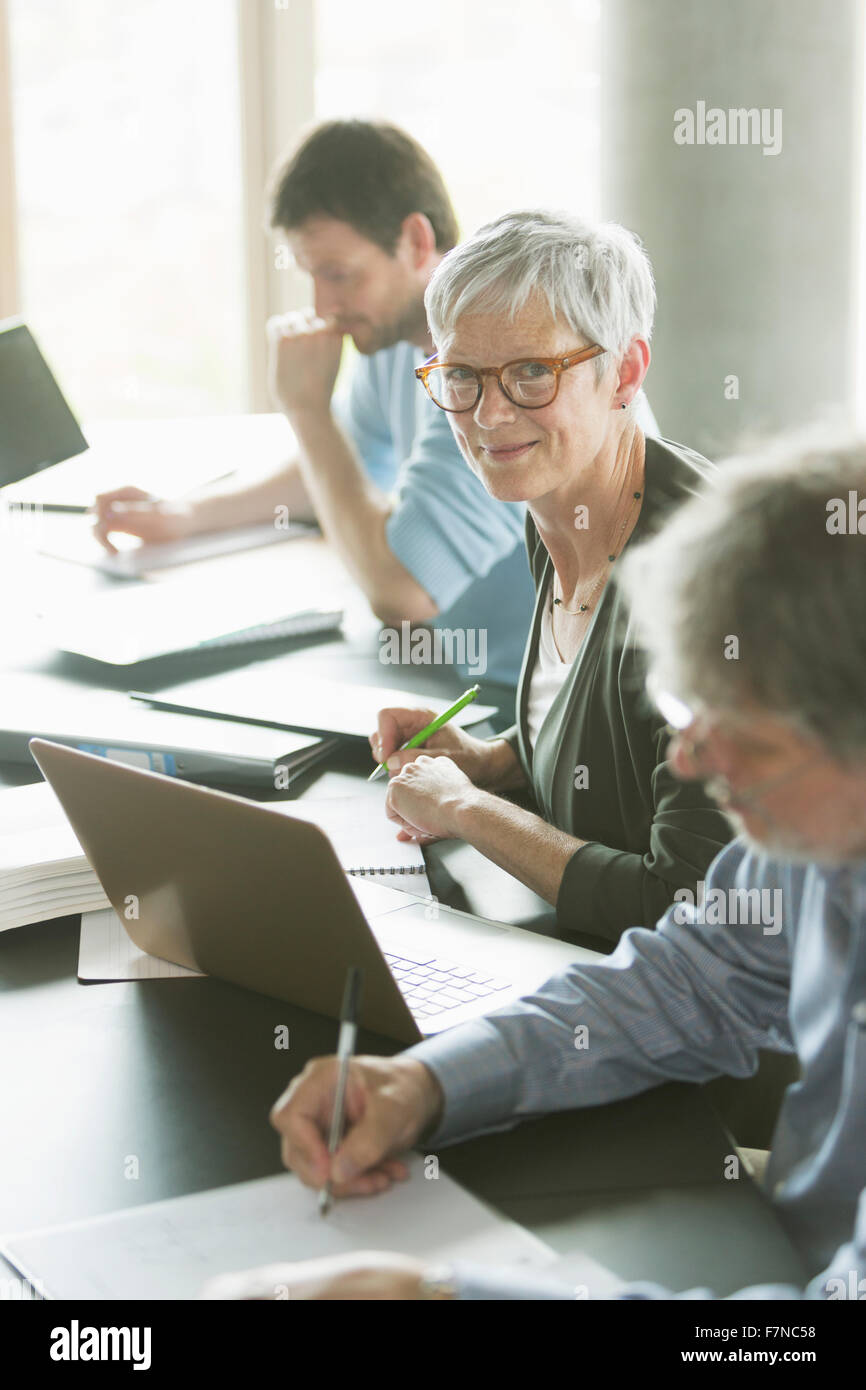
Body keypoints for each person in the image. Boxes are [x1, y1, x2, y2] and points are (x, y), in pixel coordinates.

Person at [208, 430, 866, 1301]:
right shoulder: (810, 841)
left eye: (742, 733)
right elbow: (689, 983)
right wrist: (427, 1084)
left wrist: (447, 1299)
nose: (691, 764)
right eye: (685, 708)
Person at [91, 124, 657, 685]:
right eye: (311, 276)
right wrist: (189, 514)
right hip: (452, 675)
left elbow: (400, 591)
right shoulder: (395, 343)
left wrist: (306, 408)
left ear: (414, 241)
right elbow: (338, 466)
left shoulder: (483, 379)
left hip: (516, 698)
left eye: (338, 274)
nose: (323, 305)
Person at [371, 211, 731, 944]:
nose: (489, 414)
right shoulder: (557, 509)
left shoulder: (713, 589)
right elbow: (625, 752)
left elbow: (685, 906)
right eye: (463, 375)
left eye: (532, 372)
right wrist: (491, 762)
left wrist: (467, 809)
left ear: (624, 373)